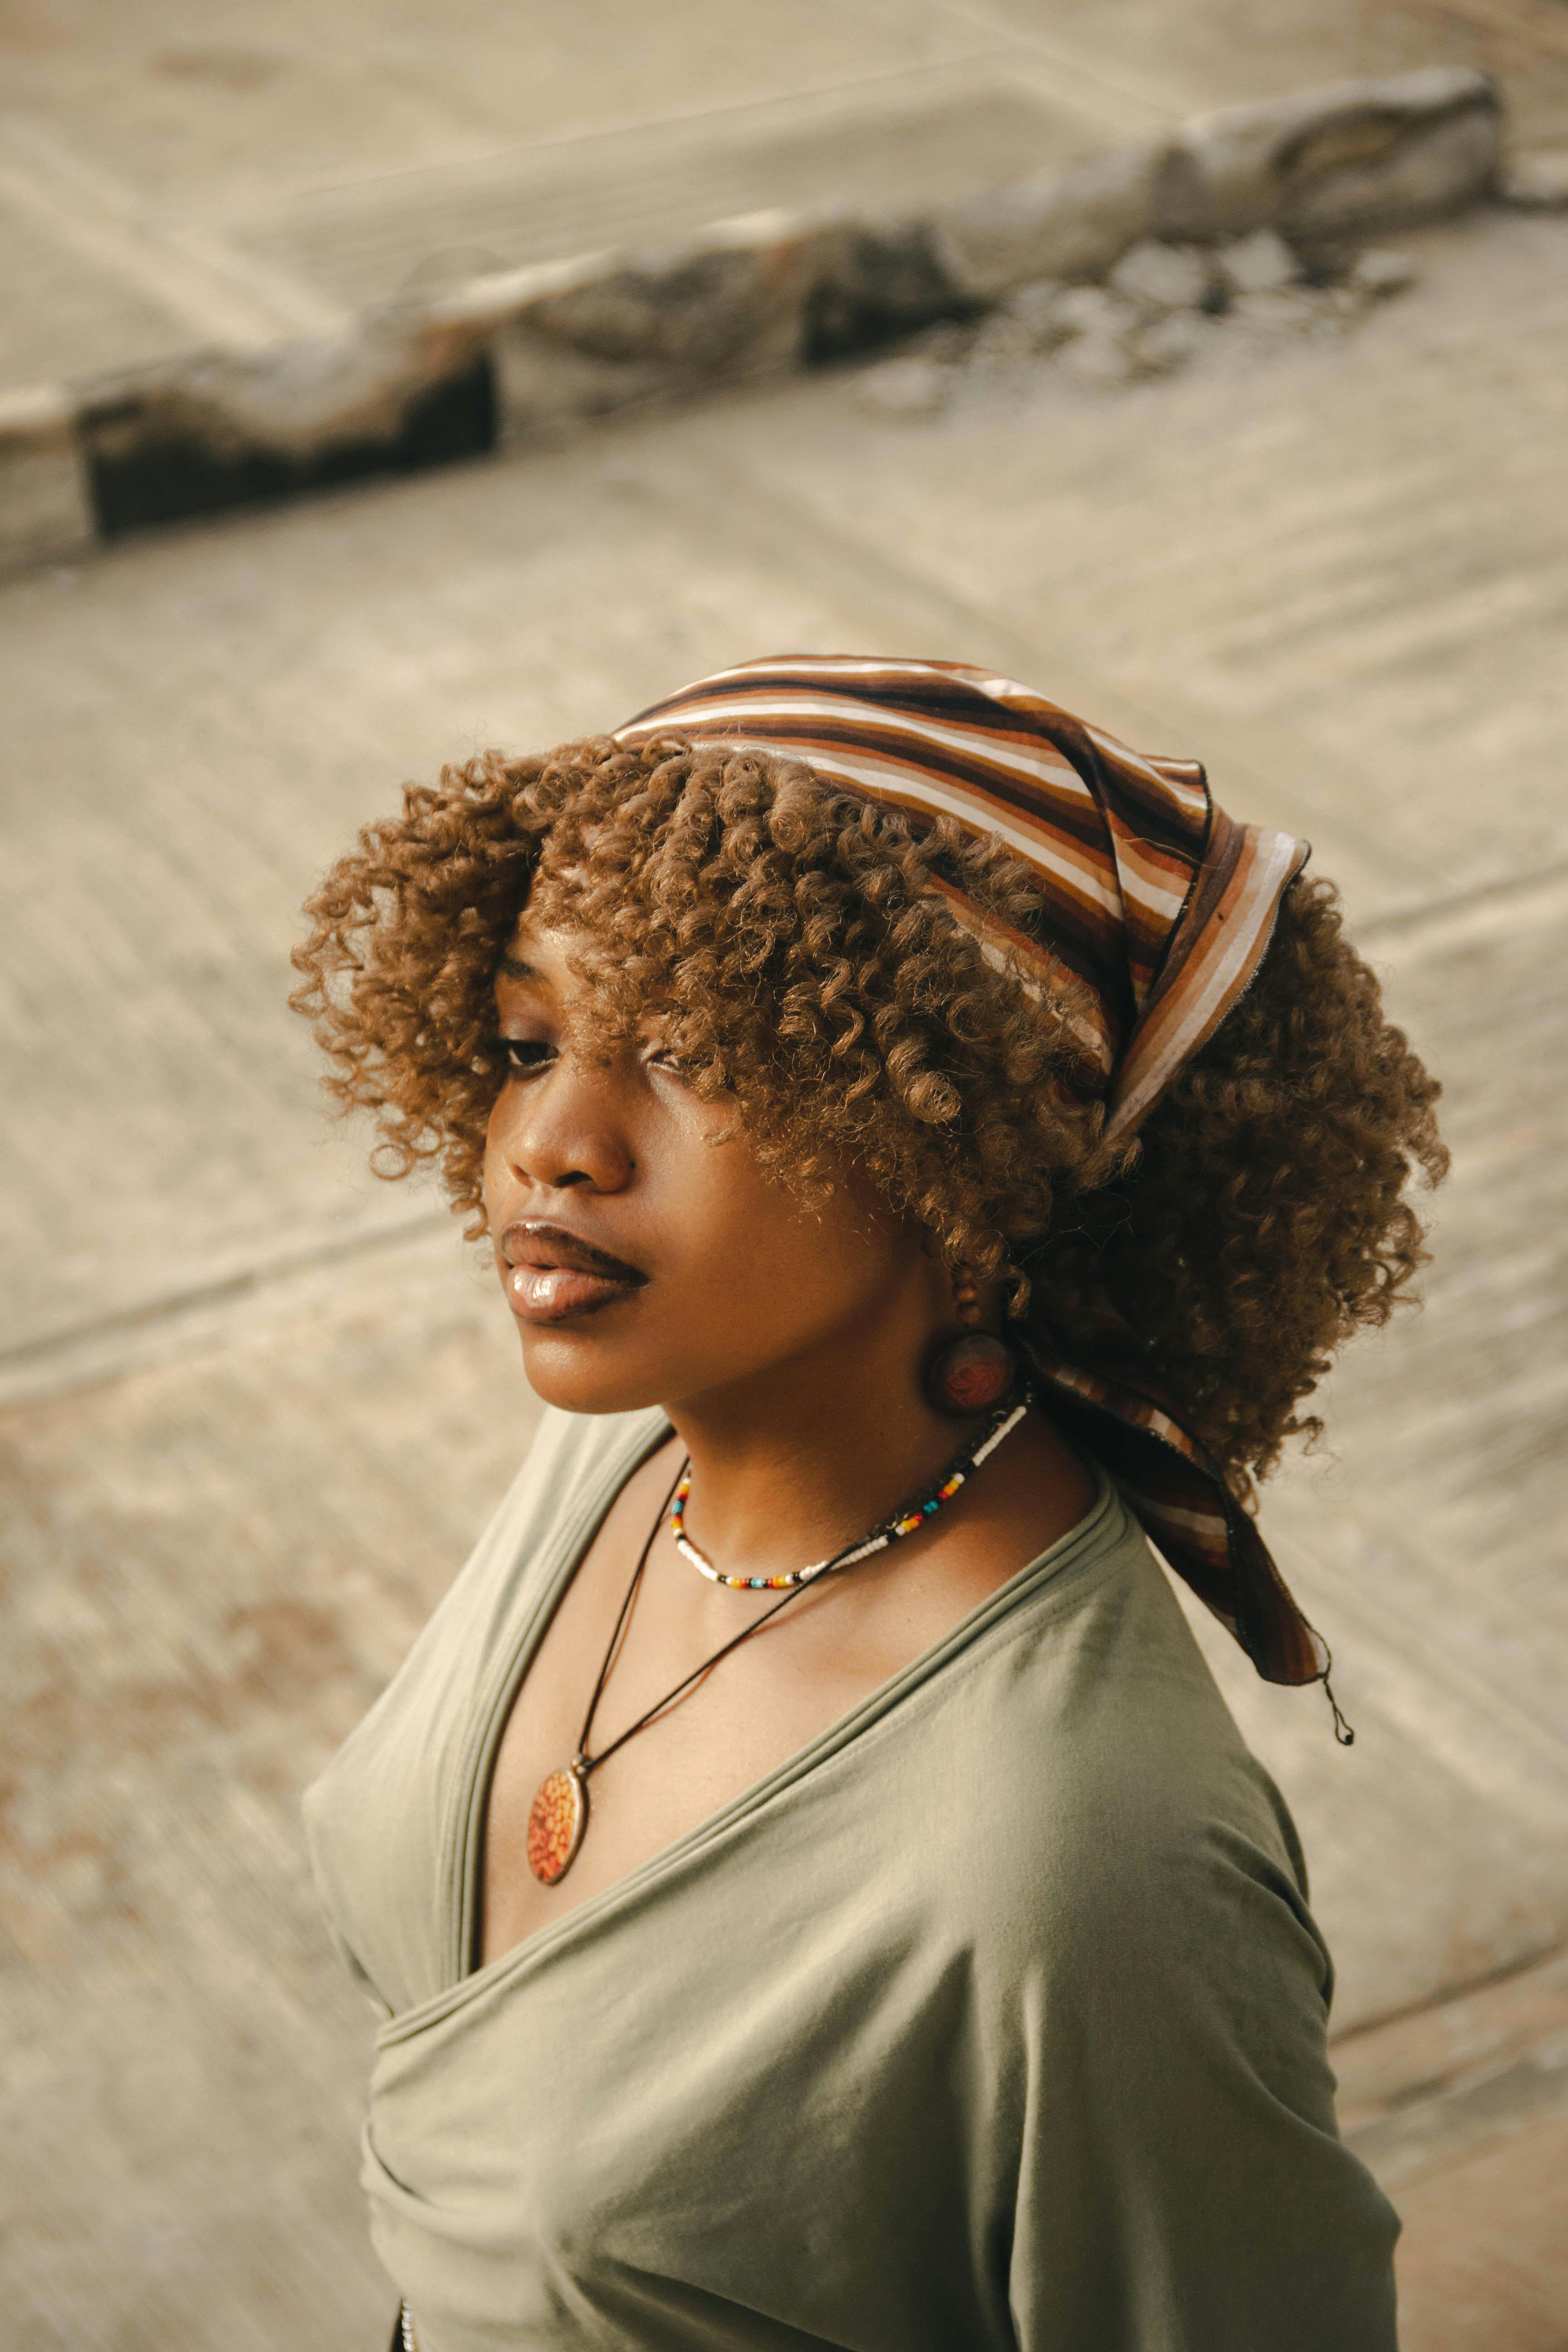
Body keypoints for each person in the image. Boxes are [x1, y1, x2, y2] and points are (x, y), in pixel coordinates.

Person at [293, 656, 1445, 2352]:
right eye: (532, 1039)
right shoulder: (631, 1445)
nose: (554, 1141)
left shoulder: (1080, 1870)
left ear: (964, 1130)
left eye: (695, 1054)